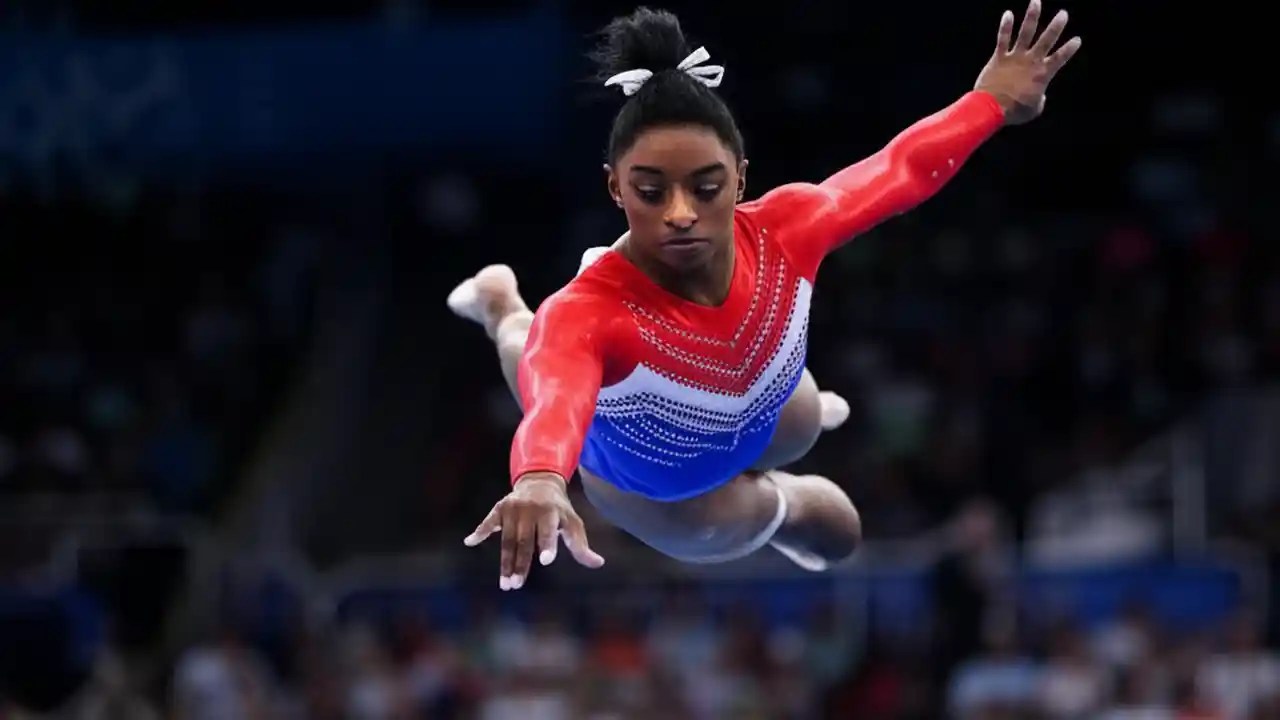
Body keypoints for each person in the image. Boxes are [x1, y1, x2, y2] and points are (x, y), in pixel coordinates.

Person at [449, 1, 1081, 590]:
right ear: (616, 188)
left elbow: (900, 168)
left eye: (705, 187)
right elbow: (556, 398)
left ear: (741, 177)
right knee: (840, 533)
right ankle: (501, 301)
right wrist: (538, 476)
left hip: (765, 405)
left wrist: (991, 103)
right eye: (651, 191)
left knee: (800, 421)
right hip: (667, 490)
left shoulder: (788, 227)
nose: (680, 214)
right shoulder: (587, 314)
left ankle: (772, 433)